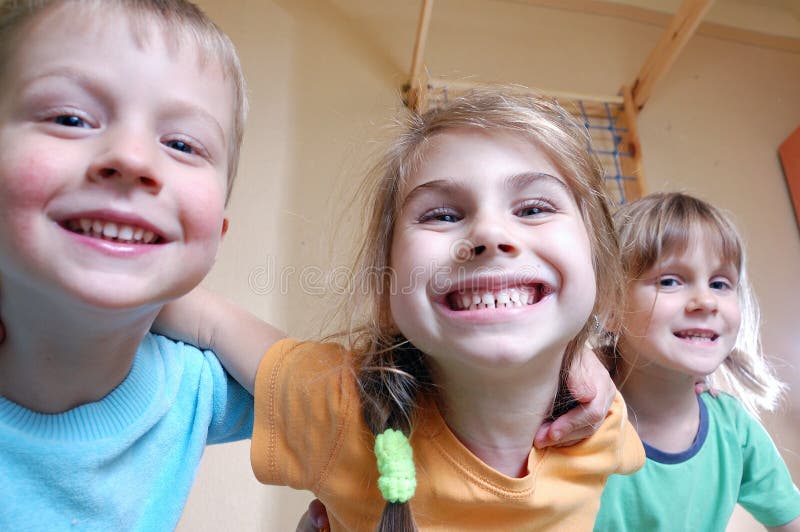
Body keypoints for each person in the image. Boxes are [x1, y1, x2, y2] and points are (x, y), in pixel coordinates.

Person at [157, 88, 645, 530]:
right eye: (443, 215)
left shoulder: (603, 419)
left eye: (534, 208)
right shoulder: (338, 405)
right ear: (386, 288)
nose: (490, 234)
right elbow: (202, 318)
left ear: (600, 266)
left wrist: (582, 351)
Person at [0, 0, 256, 529]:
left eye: (182, 144)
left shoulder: (194, 390)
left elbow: (335, 394)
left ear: (217, 237)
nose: (133, 159)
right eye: (70, 119)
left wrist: (206, 316)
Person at [593, 192, 800, 531]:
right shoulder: (570, 415)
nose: (706, 300)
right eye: (670, 281)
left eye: (720, 284)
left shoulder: (735, 429)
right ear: (611, 306)